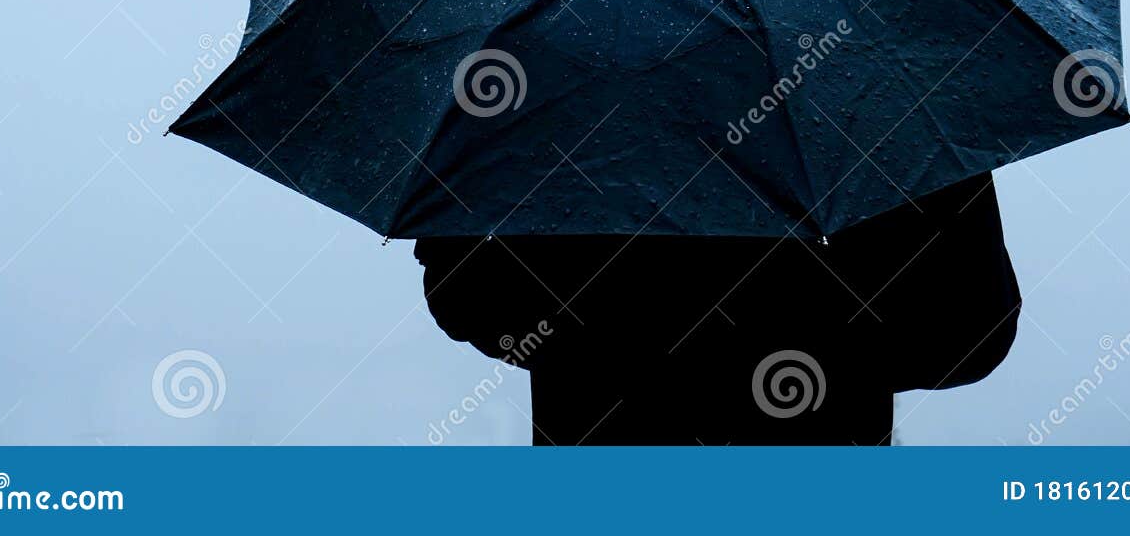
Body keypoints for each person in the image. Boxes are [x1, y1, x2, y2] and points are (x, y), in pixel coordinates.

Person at [414, 171, 1021, 445]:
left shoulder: (555, 92)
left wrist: (444, 217)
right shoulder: (878, 90)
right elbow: (968, 331)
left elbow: (475, 298)